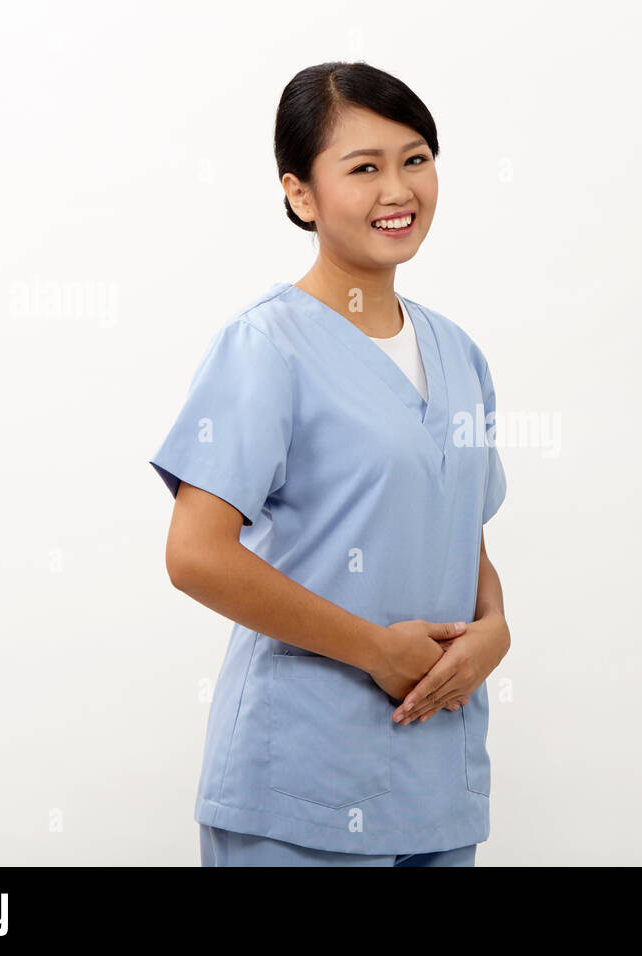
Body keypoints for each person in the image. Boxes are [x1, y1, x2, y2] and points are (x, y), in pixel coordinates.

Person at [148, 61, 509, 867]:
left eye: (415, 159)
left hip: (436, 784)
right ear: (300, 194)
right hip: (301, 785)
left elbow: (461, 534)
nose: (398, 190)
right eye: (364, 168)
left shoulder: (460, 354)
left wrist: (495, 629)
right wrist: (374, 648)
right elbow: (195, 555)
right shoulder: (266, 347)